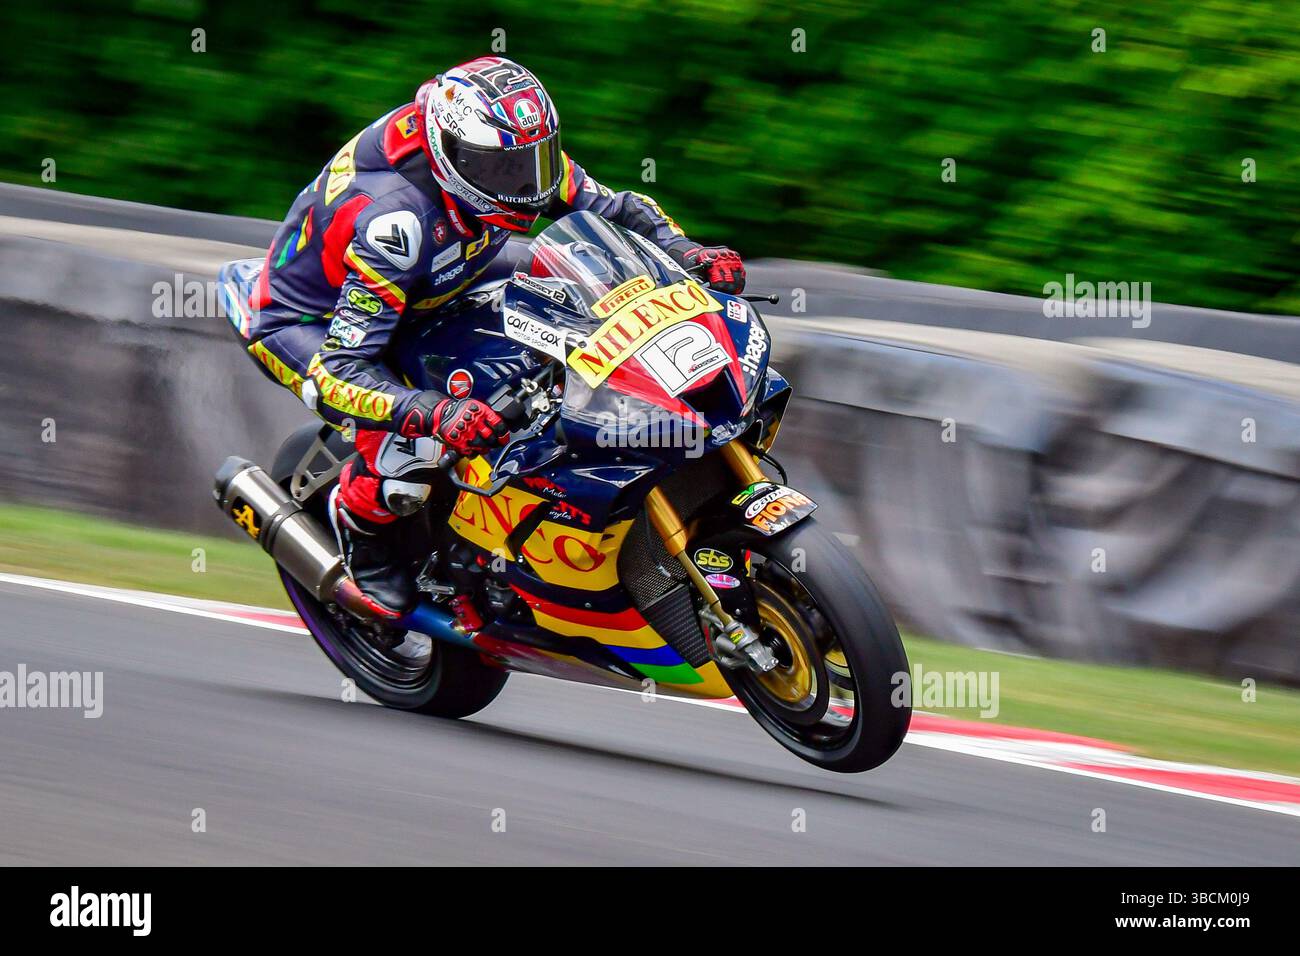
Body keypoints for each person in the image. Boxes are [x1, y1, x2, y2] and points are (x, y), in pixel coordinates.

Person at [234, 56, 746, 619]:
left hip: (445, 269)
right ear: (450, 156)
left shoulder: (509, 151)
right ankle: (364, 535)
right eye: (506, 169)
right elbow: (345, 367)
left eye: (536, 158)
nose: (527, 182)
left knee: (577, 277)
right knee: (417, 440)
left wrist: (685, 251)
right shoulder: (393, 221)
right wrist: (433, 412)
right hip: (318, 321)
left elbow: (614, 209)